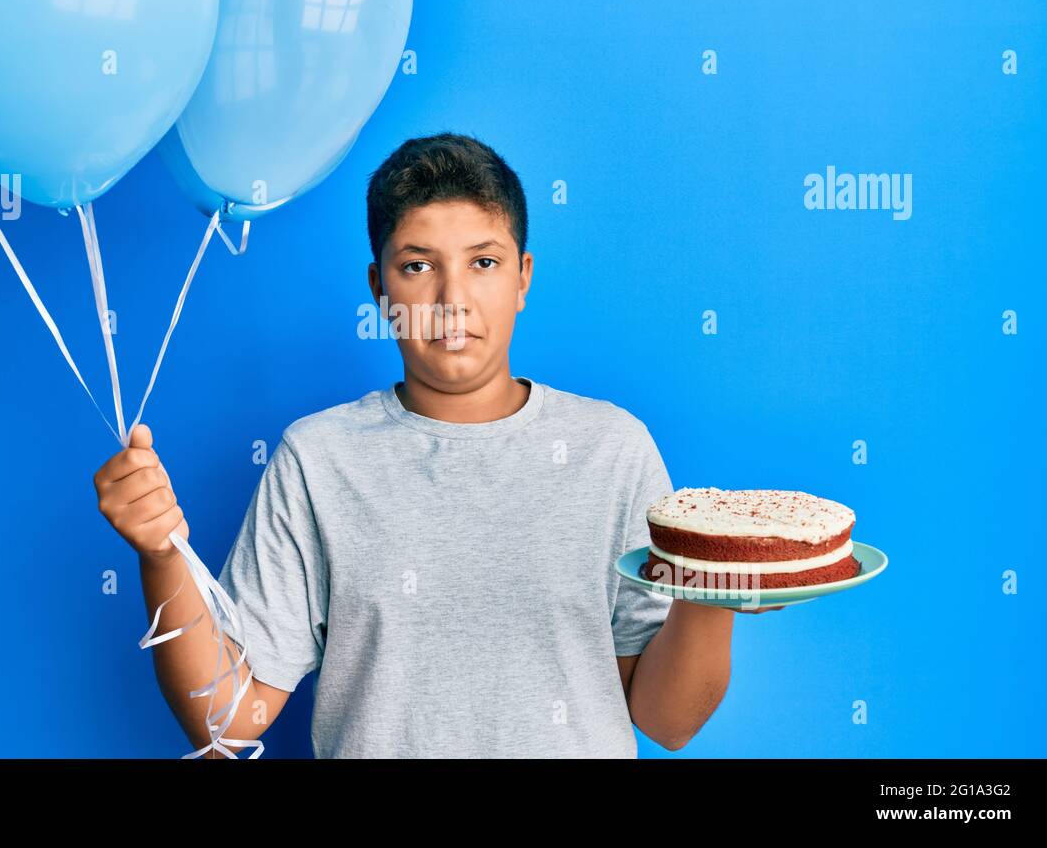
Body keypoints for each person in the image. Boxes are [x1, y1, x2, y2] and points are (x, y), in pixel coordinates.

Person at [93, 132, 776, 759]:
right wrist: (161, 558)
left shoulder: (613, 451)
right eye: (418, 266)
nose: (452, 297)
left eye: (483, 261)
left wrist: (710, 593)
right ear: (379, 288)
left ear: (522, 278)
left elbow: (667, 720)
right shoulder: (317, 460)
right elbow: (228, 722)